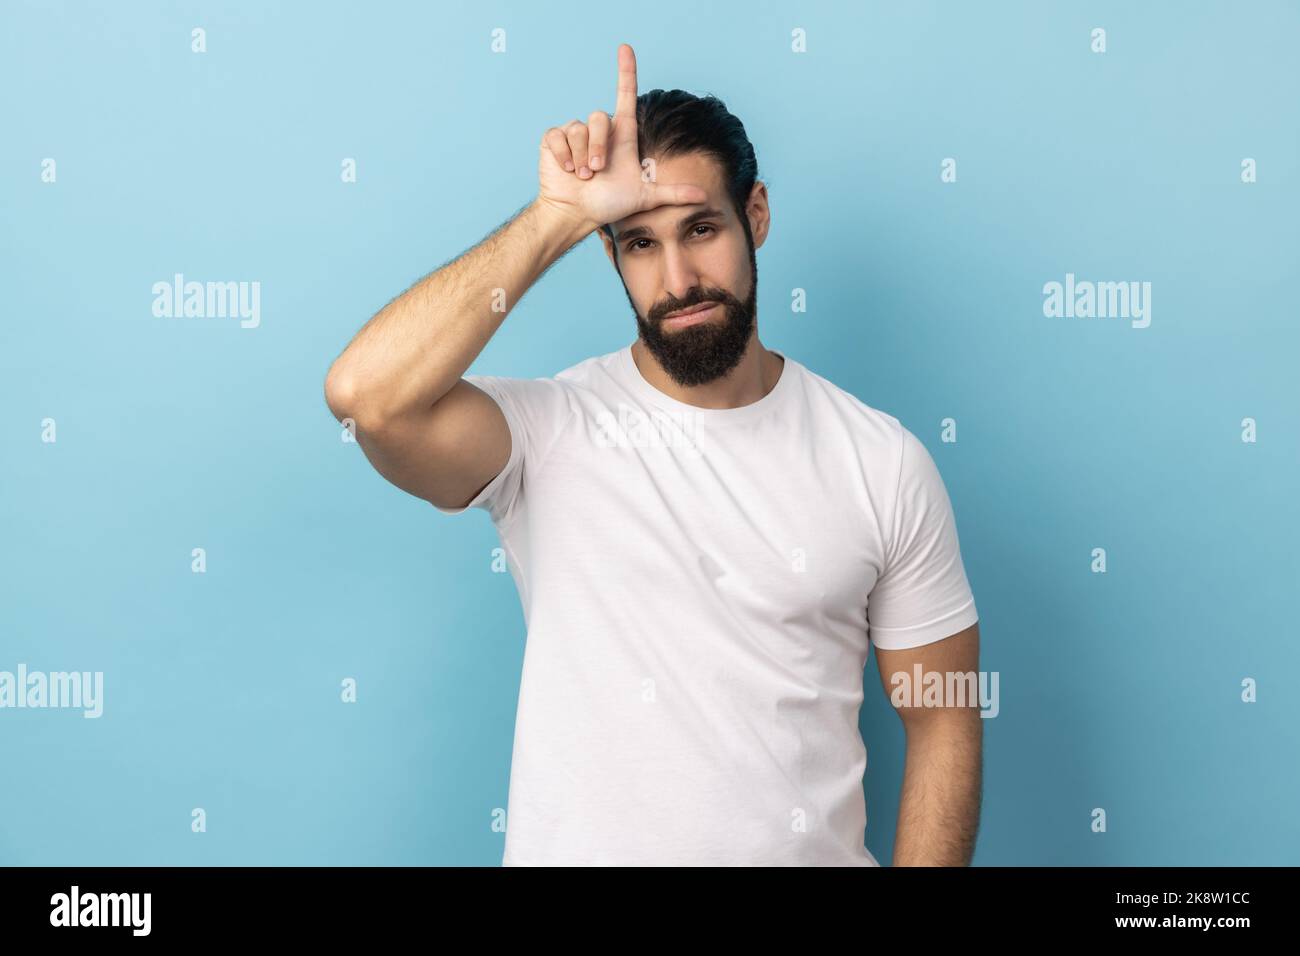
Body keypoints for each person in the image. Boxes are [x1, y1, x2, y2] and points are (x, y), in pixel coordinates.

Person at [325, 44, 982, 866]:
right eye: (639, 243)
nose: (678, 279)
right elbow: (368, 397)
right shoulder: (546, 433)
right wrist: (558, 216)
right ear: (610, 256)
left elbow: (944, 714)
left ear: (759, 217)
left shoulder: (881, 462)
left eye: (701, 229)